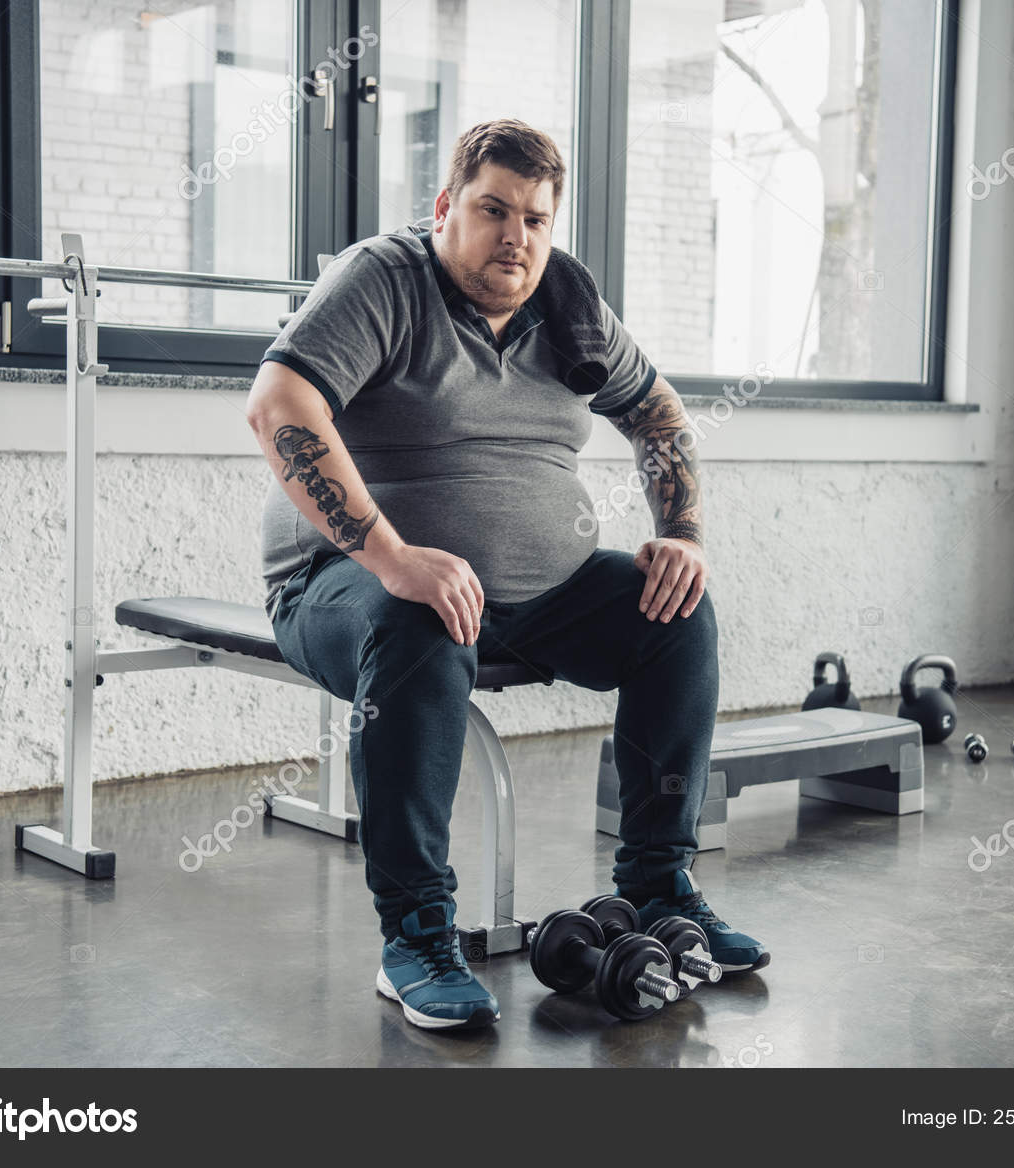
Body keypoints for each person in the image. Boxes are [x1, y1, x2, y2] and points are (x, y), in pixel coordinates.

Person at [245, 118, 768, 1032]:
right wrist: (394, 558)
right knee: (414, 620)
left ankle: (658, 889)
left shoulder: (569, 306)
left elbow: (658, 414)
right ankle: (415, 935)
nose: (515, 236)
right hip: (343, 582)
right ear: (446, 206)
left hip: (538, 596)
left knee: (678, 615)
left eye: (535, 217)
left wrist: (681, 532)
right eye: (493, 210)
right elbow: (279, 405)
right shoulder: (384, 280)